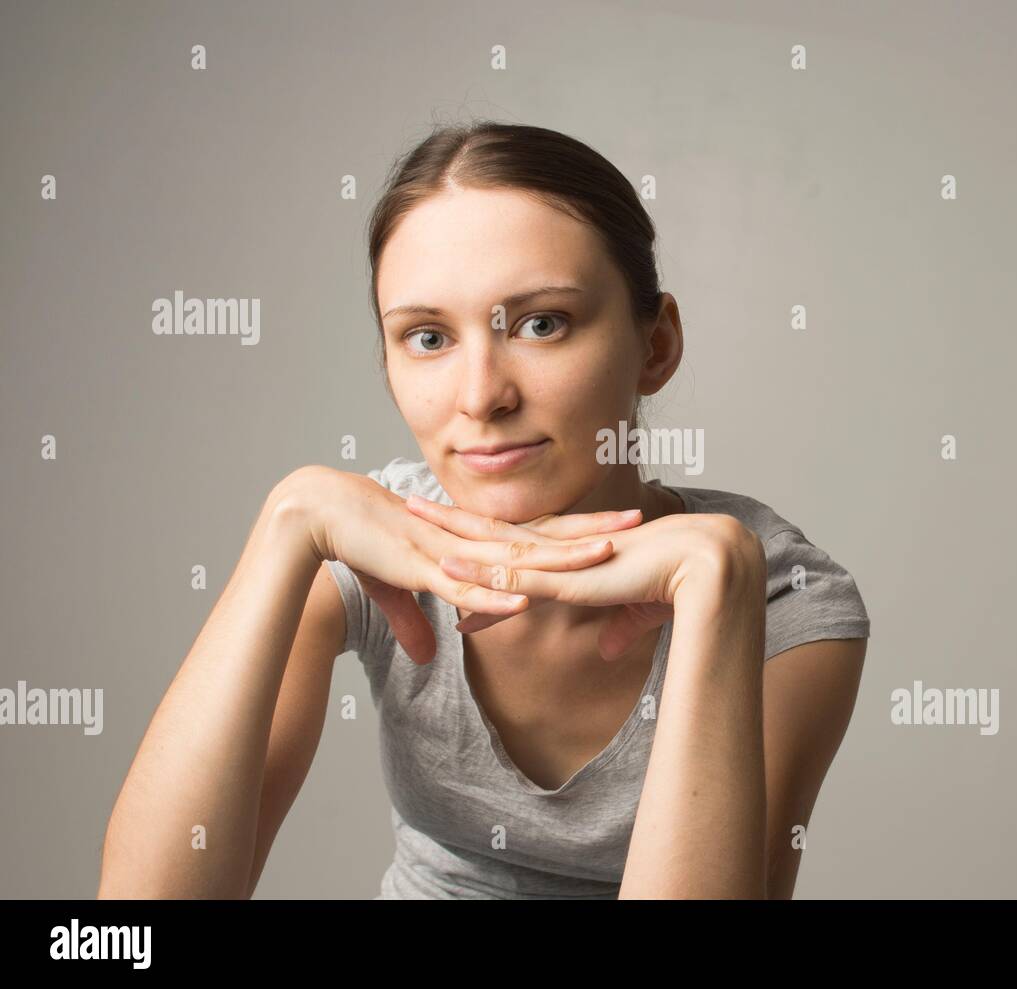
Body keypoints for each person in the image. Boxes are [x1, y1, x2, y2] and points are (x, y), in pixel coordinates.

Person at [97, 121, 870, 900]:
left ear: (656, 344)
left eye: (542, 323)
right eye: (428, 337)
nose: (480, 396)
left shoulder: (779, 597)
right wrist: (286, 523)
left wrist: (716, 589)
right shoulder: (362, 544)